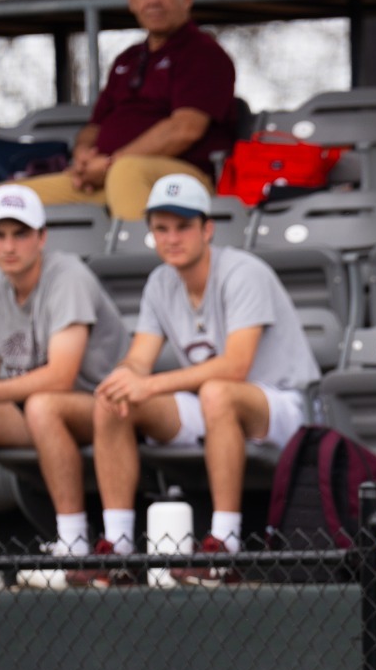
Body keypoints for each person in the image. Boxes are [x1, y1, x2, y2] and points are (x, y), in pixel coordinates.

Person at [47, 173, 317, 588]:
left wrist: (150, 384)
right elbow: (139, 358)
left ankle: (224, 548)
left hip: (281, 407)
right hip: (211, 405)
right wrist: (123, 379)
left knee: (216, 391)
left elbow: (236, 367)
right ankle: (117, 550)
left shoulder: (244, 271)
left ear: (207, 229)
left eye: (184, 226)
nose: (172, 237)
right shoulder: (160, 281)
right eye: (162, 227)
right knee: (115, 399)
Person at [0, 185, 129, 591]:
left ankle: (74, 548)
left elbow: (61, 377)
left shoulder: (68, 274)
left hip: (107, 410)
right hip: (38, 409)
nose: (9, 245)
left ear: (42, 237)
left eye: (20, 234)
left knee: (42, 404)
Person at [20, 0, 237, 221]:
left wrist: (111, 163)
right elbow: (95, 126)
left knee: (126, 171)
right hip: (106, 177)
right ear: (132, 1)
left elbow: (185, 129)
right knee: (13, 197)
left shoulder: (204, 53)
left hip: (181, 179)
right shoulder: (128, 59)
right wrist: (84, 156)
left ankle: (147, 257)